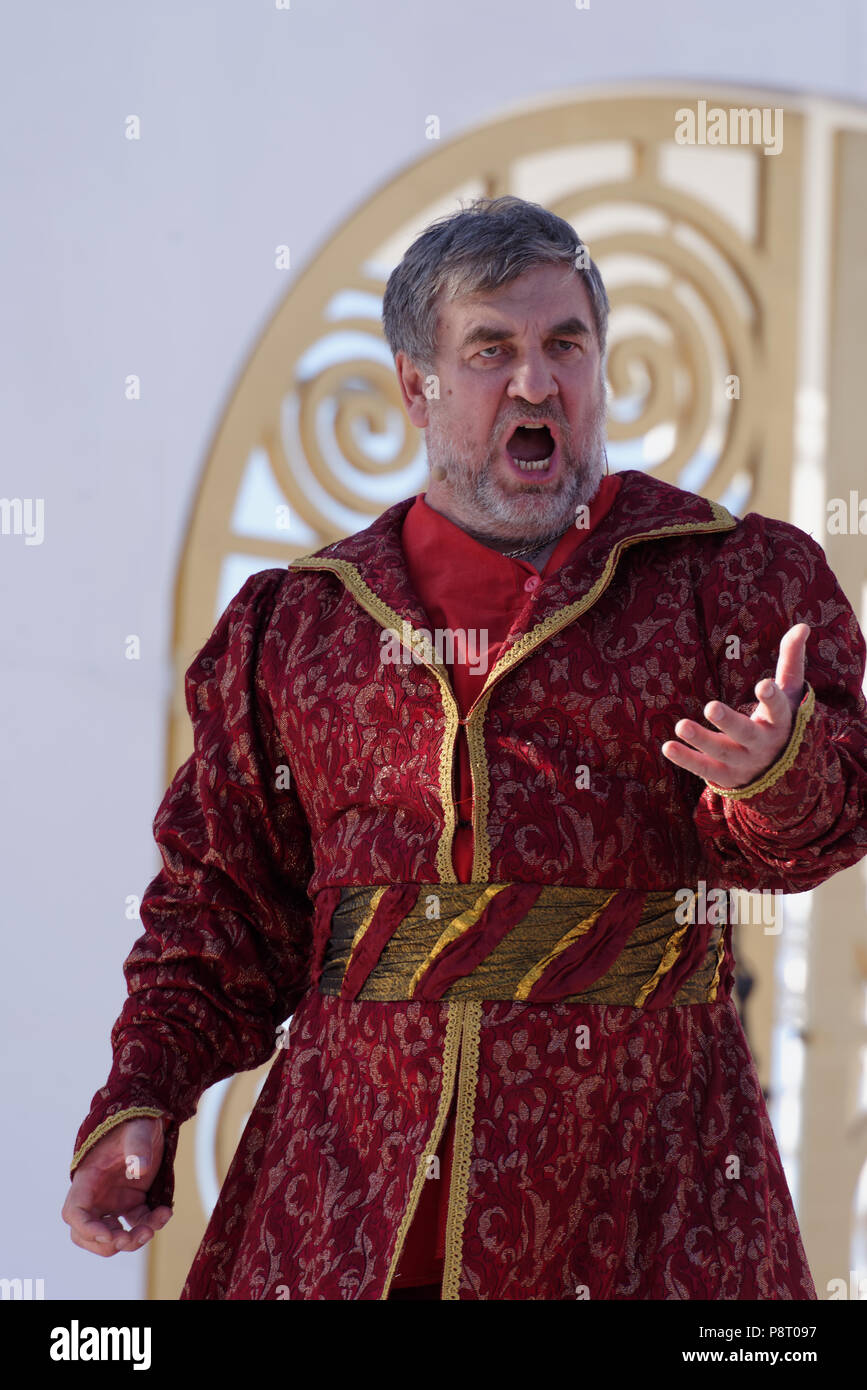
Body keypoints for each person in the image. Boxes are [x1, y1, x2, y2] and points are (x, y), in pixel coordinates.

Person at [63, 196, 867, 1300]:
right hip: (349, 1199)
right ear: (416, 384)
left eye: (564, 345)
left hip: (650, 1195)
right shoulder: (299, 624)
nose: (537, 383)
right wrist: (142, 1093)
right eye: (493, 350)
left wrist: (778, 774)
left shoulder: (725, 580)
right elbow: (222, 903)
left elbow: (815, 830)